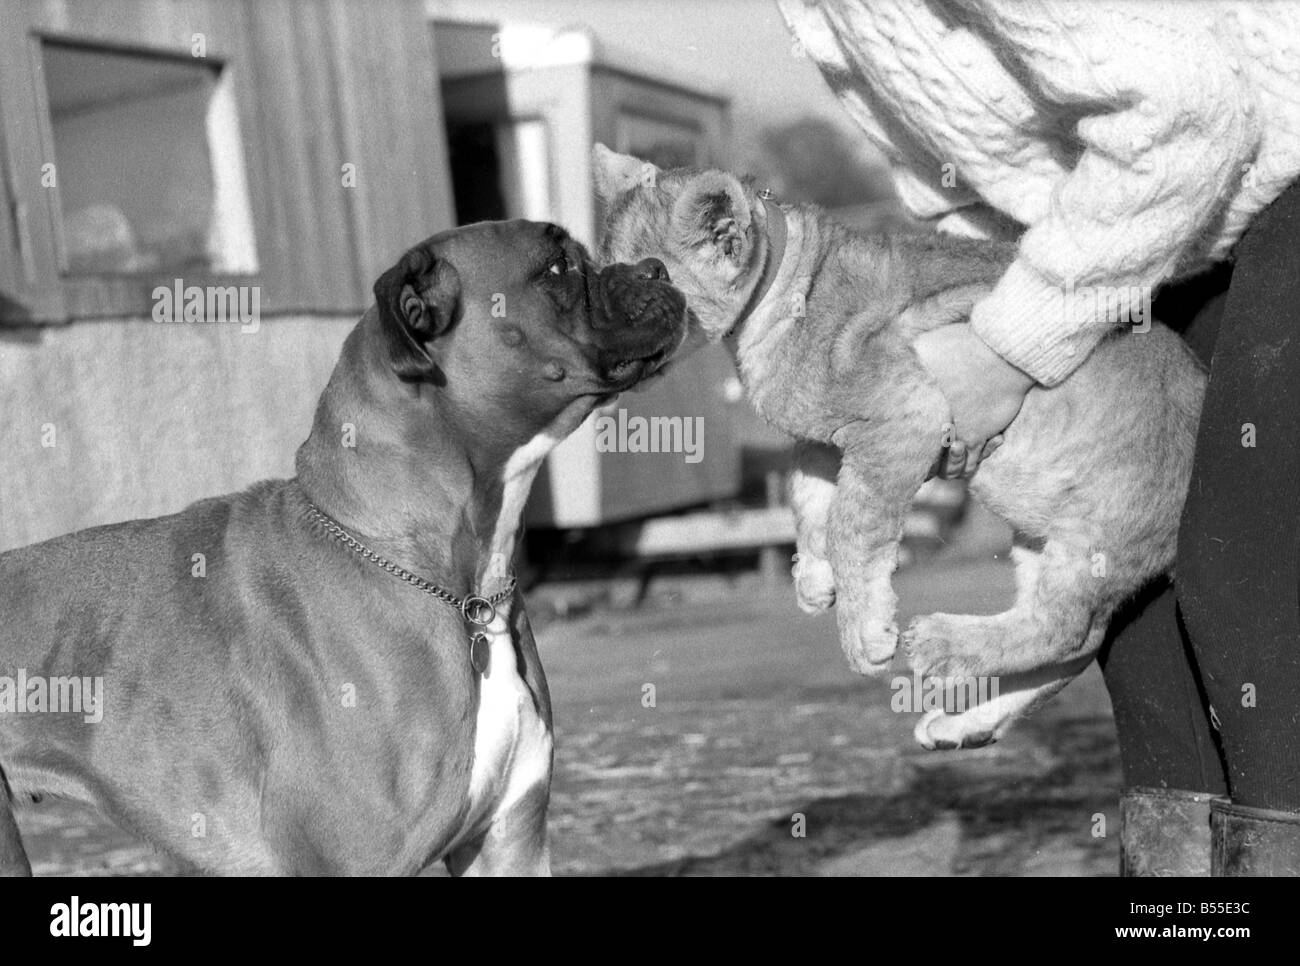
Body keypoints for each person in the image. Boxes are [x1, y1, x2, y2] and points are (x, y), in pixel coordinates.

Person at [779, 0, 1300, 875]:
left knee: (1235, 574)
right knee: (1136, 617)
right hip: (1154, 223)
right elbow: (976, 198)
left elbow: (1189, 112)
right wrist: (1043, 621)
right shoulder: (817, 15)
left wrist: (1008, 346)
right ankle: (1184, 920)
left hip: (1264, 158)